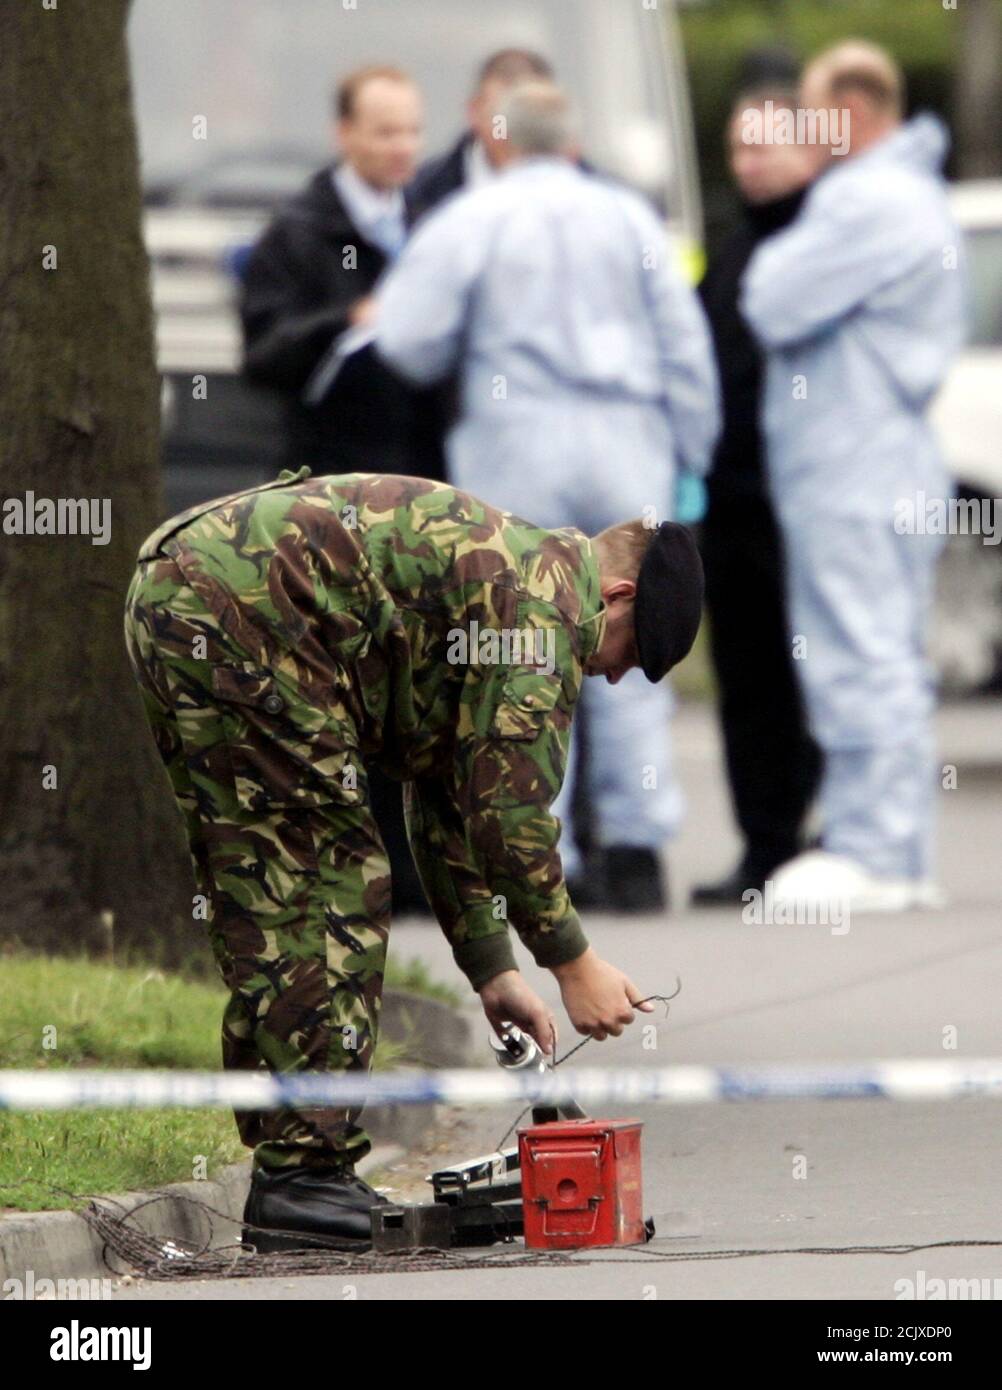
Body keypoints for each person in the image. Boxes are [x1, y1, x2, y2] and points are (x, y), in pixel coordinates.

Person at [123, 468, 704, 1250]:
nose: (618, 673)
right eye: (636, 652)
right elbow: (509, 819)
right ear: (620, 594)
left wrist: (493, 969)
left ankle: (297, 1168)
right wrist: (574, 963)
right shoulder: (544, 616)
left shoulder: (515, 581)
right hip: (246, 605)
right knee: (327, 881)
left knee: (269, 885)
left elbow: (448, 800)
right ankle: (302, 1177)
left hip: (185, 587)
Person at [374, 82, 720, 912]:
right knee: (635, 629)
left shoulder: (471, 219)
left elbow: (407, 342)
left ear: (498, 142)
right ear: (573, 142)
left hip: (515, 441)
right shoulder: (631, 219)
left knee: (522, 643)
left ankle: (533, 849)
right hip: (627, 438)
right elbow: (686, 350)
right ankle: (635, 849)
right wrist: (692, 456)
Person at [741, 42, 968, 912]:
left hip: (851, 459)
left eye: (812, 112)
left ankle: (871, 849)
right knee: (885, 652)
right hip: (883, 454)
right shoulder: (912, 192)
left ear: (855, 114)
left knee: (854, 651)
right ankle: (897, 851)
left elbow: (770, 298)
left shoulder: (866, 197)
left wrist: (777, 262)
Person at [692, 87, 822, 905]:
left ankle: (830, 839)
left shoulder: (823, 243)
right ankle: (764, 846)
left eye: (766, 145)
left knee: (815, 675)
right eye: (739, 147)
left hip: (803, 501)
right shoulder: (732, 250)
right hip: (733, 500)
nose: (748, 163)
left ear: (810, 150)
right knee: (747, 679)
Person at [239, 65, 444, 481]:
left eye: (413, 132)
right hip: (329, 476)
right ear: (345, 133)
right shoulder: (296, 232)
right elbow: (262, 356)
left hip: (422, 480)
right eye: (386, 133)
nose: (404, 147)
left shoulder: (434, 227)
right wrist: (348, 321)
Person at [407, 47, 554, 220]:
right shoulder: (421, 191)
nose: (513, 129)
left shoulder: (580, 186)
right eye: (501, 116)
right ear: (474, 111)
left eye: (529, 114)